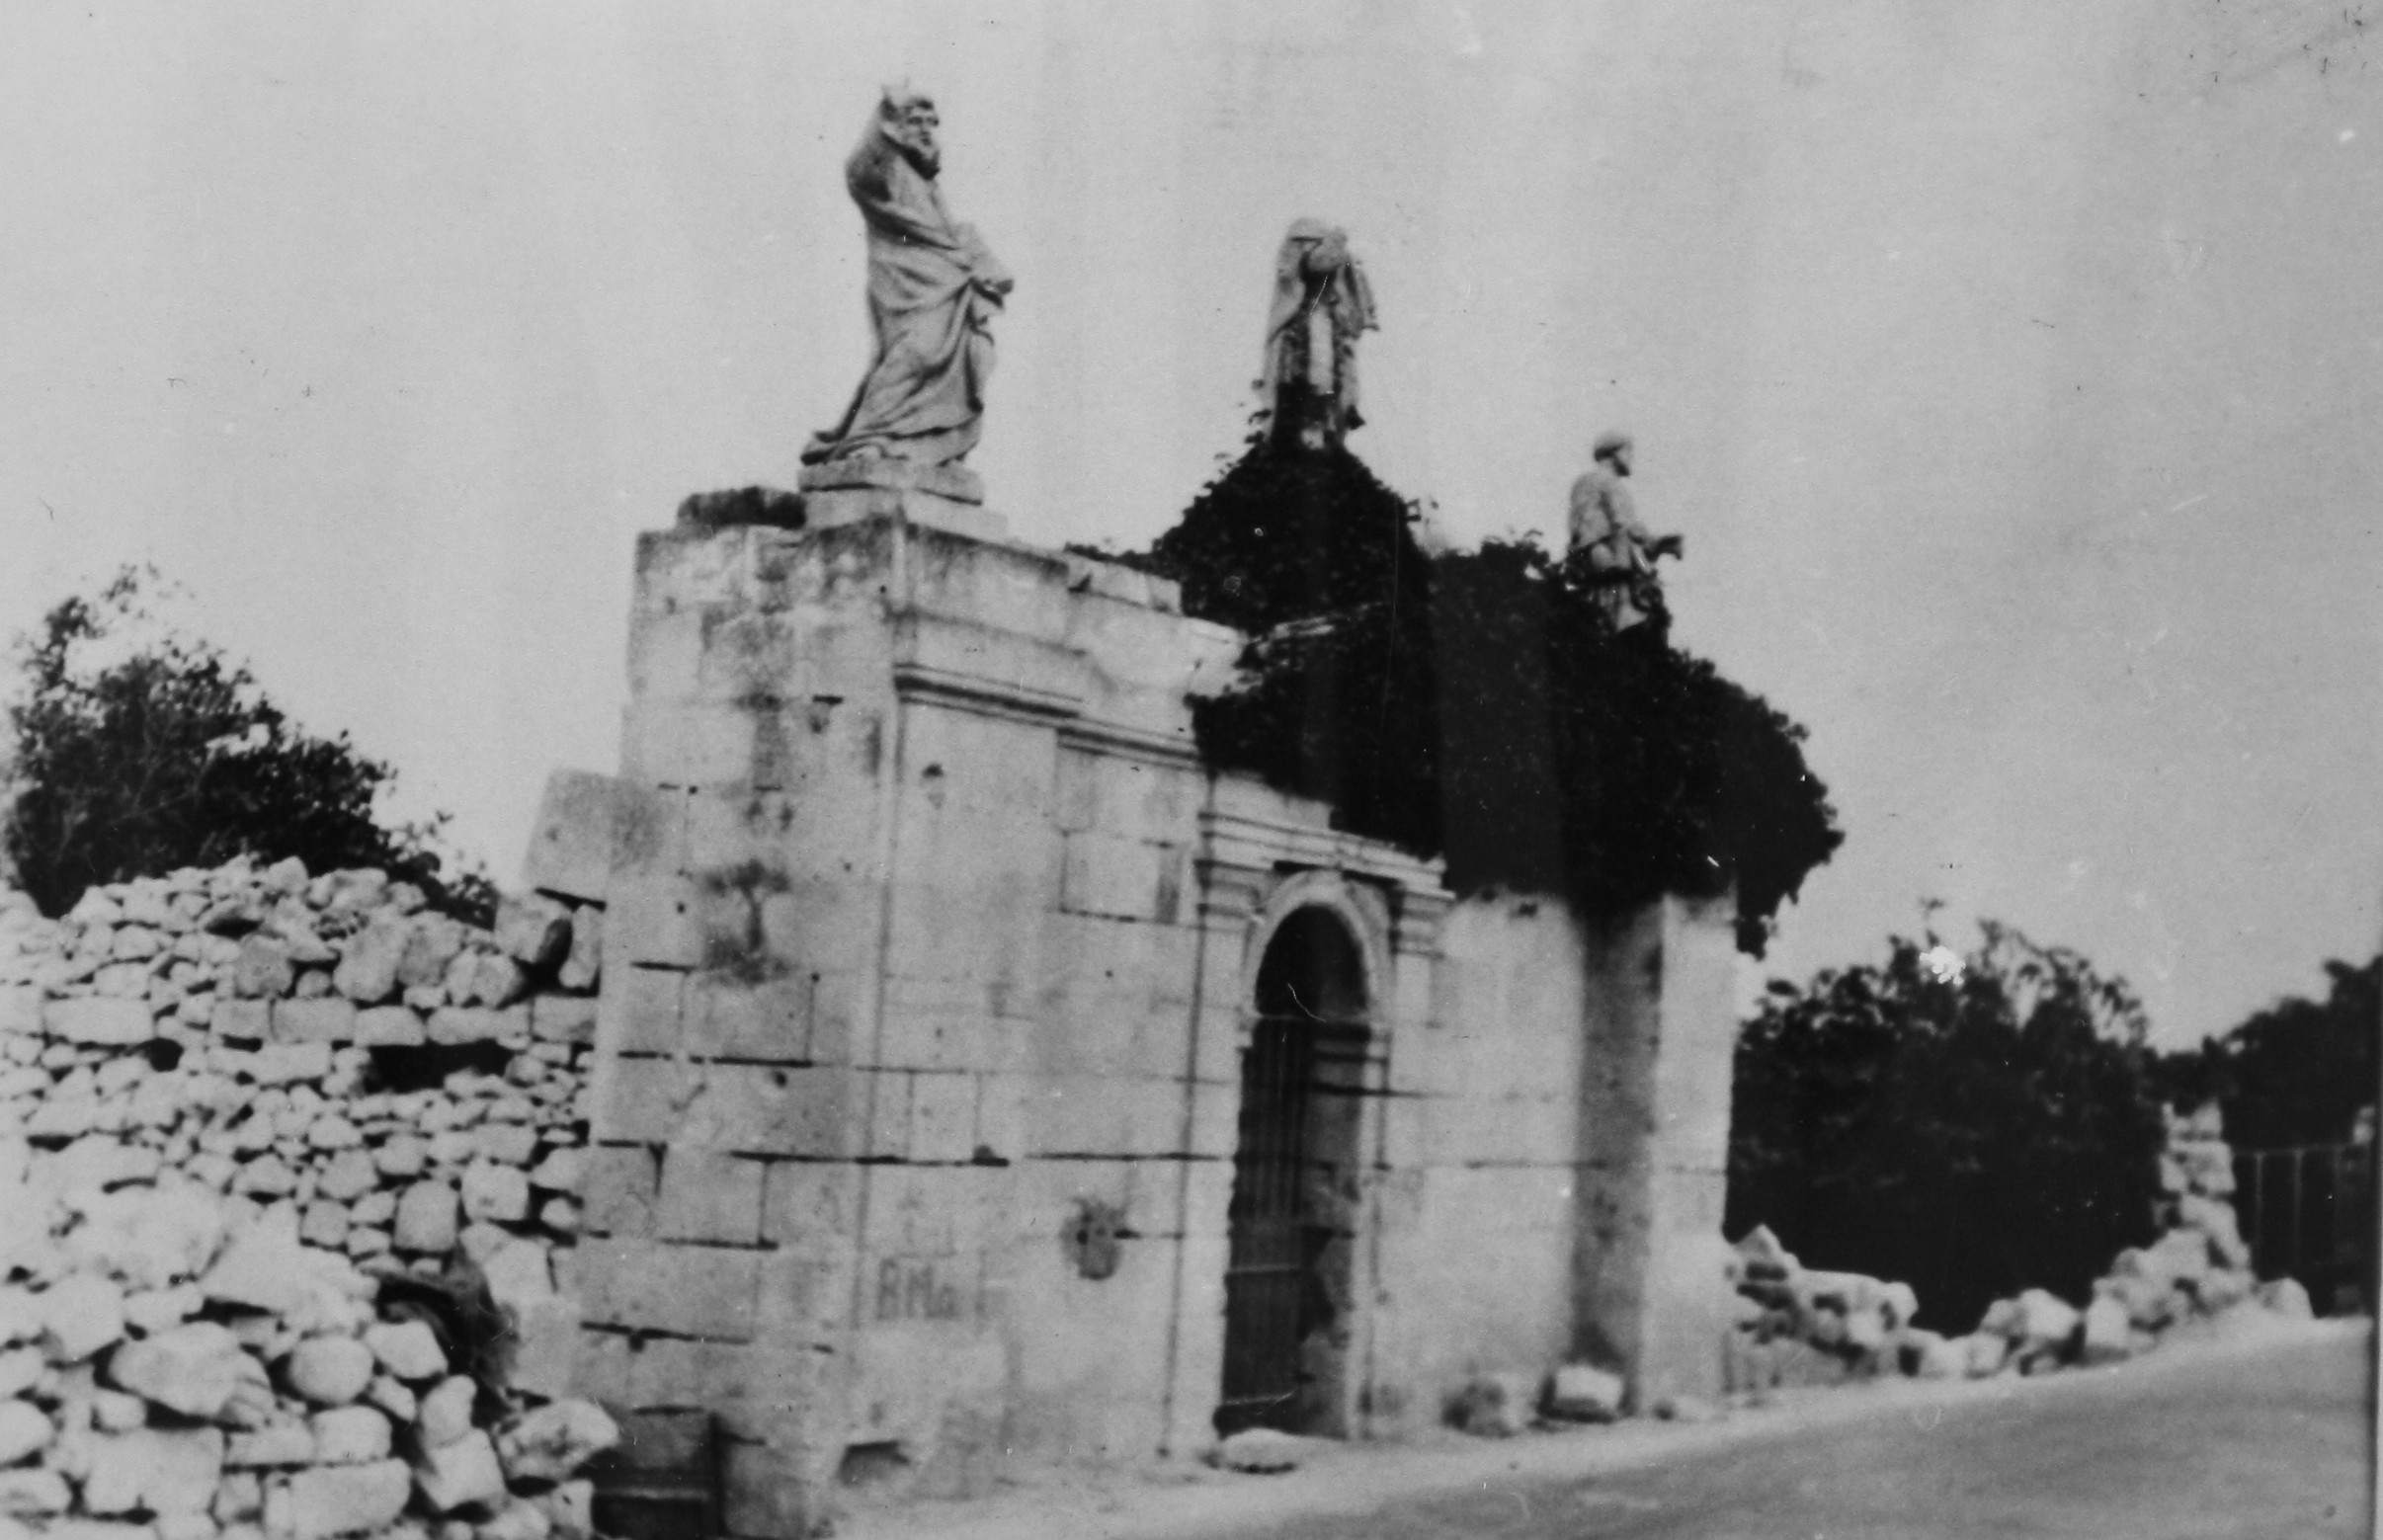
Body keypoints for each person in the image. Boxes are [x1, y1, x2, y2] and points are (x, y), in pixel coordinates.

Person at [803, 86, 1014, 467]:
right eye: (915, 121)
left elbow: (947, 233)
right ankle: (867, 439)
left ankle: (932, 445)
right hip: (905, 286)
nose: (926, 129)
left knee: (972, 355)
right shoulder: (887, 167)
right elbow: (860, 170)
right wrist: (886, 111)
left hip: (946, 285)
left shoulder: (927, 183)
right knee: (917, 354)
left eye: (931, 122)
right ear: (893, 128)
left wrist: (979, 261)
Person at [1256, 219, 1376, 449]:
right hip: (1306, 327)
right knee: (1312, 380)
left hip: (1325, 324)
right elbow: (1317, 264)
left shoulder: (1333, 256)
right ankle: (1308, 438)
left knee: (1330, 382)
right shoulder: (1301, 252)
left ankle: (1324, 435)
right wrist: (1336, 241)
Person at [1568, 432, 1682, 631]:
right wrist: (1597, 551)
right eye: (1628, 451)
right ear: (1613, 453)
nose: (1631, 458)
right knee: (1611, 621)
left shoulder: (1610, 486)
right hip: (1607, 562)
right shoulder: (1598, 481)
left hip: (1617, 567)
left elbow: (1629, 530)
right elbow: (1595, 522)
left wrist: (1656, 544)